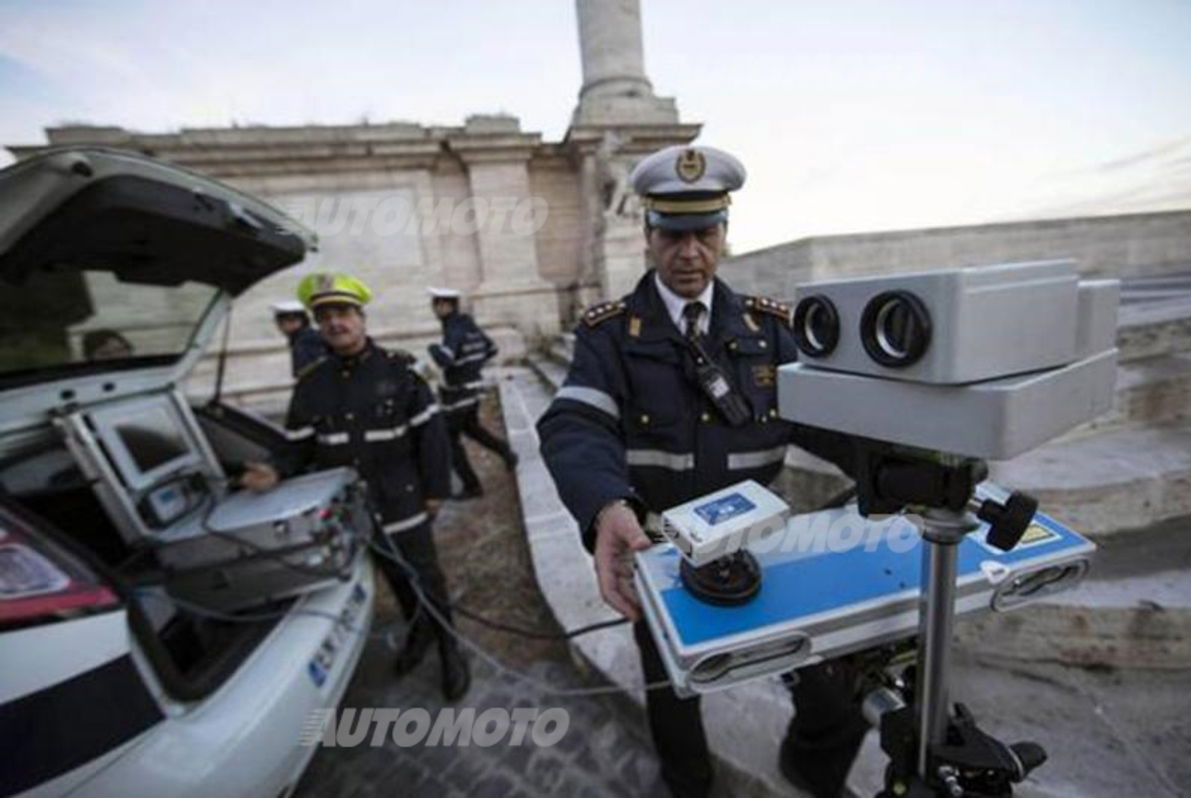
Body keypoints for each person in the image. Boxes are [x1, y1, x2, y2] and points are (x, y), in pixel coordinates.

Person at [536, 145, 866, 798]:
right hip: (657, 549)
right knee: (672, 690)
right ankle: (687, 784)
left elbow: (835, 425)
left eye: (705, 233)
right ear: (648, 235)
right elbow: (575, 423)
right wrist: (606, 505)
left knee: (831, 692)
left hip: (762, 545)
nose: (690, 253)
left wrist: (911, 461)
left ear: (724, 233)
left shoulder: (771, 330)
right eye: (674, 235)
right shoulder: (608, 335)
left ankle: (809, 765)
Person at [242, 273, 470, 701]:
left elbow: (432, 436)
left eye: (344, 312)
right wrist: (274, 471)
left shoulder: (401, 371)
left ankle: (449, 648)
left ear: (361, 318)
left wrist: (435, 491)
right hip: (353, 509)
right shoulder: (311, 384)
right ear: (318, 325)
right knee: (394, 576)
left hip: (403, 499)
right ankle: (418, 632)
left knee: (425, 575)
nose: (335, 322)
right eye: (325, 316)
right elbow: (297, 445)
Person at [426, 286, 518, 499]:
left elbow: (445, 359)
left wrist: (433, 349)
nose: (434, 310)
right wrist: (473, 367)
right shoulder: (467, 323)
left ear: (446, 305)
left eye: (436, 305)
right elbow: (491, 349)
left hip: (458, 394)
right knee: (472, 428)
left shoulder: (453, 328)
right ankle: (505, 451)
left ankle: (472, 486)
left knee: (449, 440)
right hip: (473, 388)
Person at [271, 300, 328, 377]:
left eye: (281, 322)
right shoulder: (304, 337)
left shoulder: (306, 340)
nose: (279, 327)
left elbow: (305, 371)